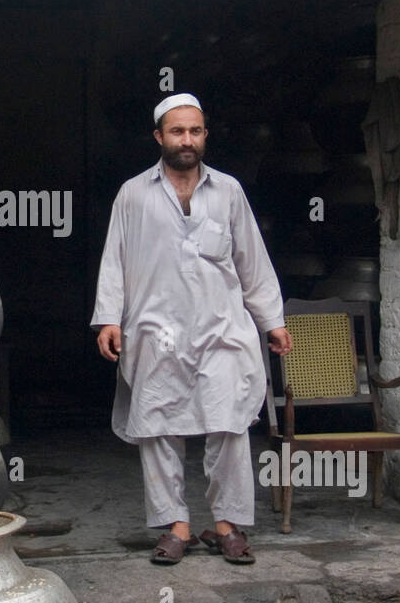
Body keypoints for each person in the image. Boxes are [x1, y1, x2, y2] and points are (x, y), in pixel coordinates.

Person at [91, 93, 292, 565]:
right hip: (154, 330)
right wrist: (108, 318)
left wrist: (272, 321)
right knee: (159, 428)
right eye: (177, 131)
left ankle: (228, 527)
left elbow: (251, 260)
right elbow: (114, 260)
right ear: (159, 137)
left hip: (222, 329)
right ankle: (175, 527)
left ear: (205, 136)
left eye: (195, 131)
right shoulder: (133, 193)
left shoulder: (228, 191)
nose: (187, 140)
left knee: (229, 426)